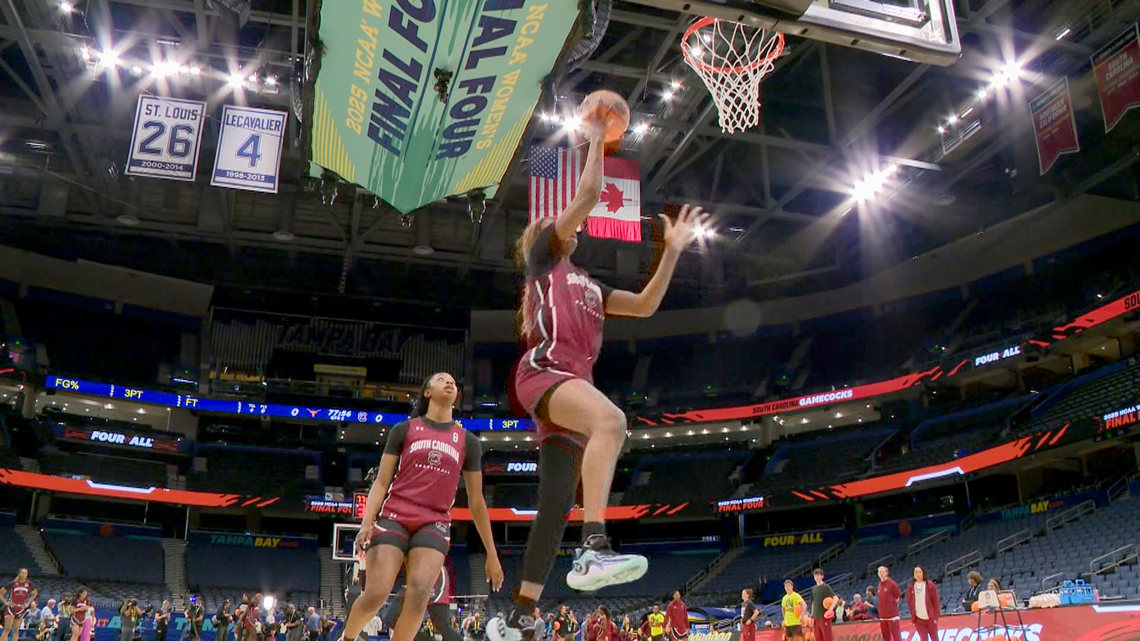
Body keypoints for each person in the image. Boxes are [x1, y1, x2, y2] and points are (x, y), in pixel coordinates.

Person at [493, 108, 710, 641]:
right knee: (612, 422)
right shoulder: (543, 259)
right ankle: (593, 548)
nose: (576, 222)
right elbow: (588, 197)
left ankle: (518, 616)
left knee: (553, 506)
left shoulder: (590, 285)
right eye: (563, 220)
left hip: (569, 391)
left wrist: (672, 253)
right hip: (545, 375)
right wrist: (595, 140)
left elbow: (644, 305)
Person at [342, 373, 502, 641]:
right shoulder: (404, 430)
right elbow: (381, 483)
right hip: (396, 514)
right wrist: (366, 524)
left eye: (453, 381)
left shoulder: (467, 441)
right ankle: (347, 638)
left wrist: (492, 553)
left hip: (434, 522)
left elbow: (477, 502)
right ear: (427, 392)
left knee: (418, 597)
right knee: (376, 593)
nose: (449, 383)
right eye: (441, 379)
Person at [1, 568, 38, 641]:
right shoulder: (13, 583)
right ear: (19, 574)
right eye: (23, 573)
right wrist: (5, 602)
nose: (24, 575)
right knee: (7, 629)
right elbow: (1, 592)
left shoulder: (29, 583)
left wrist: (28, 603)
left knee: (16, 630)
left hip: (21, 608)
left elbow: (35, 593)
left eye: (26, 573)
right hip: (12, 607)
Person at [907, 566, 939, 641]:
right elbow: (909, 602)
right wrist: (913, 617)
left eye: (919, 572)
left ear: (923, 573)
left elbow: (936, 602)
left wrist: (935, 618)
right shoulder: (911, 587)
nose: (918, 574)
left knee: (935, 638)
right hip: (919, 620)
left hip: (930, 619)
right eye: (916, 572)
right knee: (923, 639)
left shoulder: (930, 585)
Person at [876, 566, 902, 641]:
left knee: (896, 637)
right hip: (883, 617)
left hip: (892, 616)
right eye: (880, 572)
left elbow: (898, 597)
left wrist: (891, 605)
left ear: (887, 573)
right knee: (886, 638)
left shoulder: (892, 584)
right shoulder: (879, 585)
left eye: (883, 572)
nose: (881, 574)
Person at [809, 569, 836, 641]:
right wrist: (812, 616)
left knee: (827, 638)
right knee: (818, 638)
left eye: (818, 575)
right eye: (815, 575)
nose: (816, 577)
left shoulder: (826, 587)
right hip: (816, 618)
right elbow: (813, 603)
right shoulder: (813, 589)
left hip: (824, 617)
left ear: (822, 576)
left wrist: (830, 609)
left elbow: (835, 598)